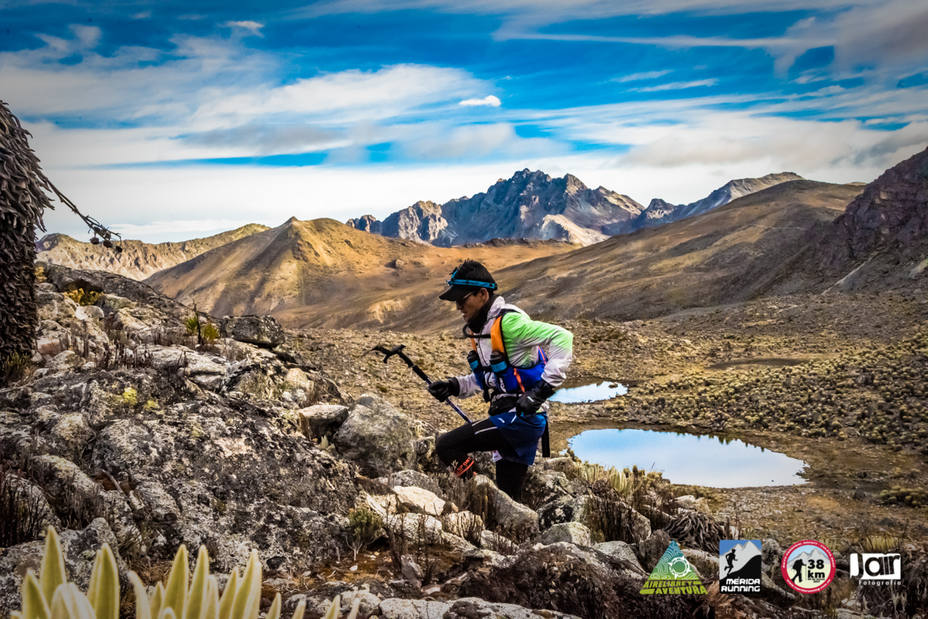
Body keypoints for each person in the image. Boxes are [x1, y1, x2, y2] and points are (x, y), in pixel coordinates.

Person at [429, 260, 573, 501]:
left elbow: (562, 337)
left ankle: (480, 493)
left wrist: (542, 390)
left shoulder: (509, 324)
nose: (458, 307)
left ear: (482, 294)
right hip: (512, 417)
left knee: (447, 447)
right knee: (509, 497)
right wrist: (454, 386)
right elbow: (491, 379)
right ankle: (508, 525)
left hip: (520, 419)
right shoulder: (484, 329)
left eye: (462, 300)